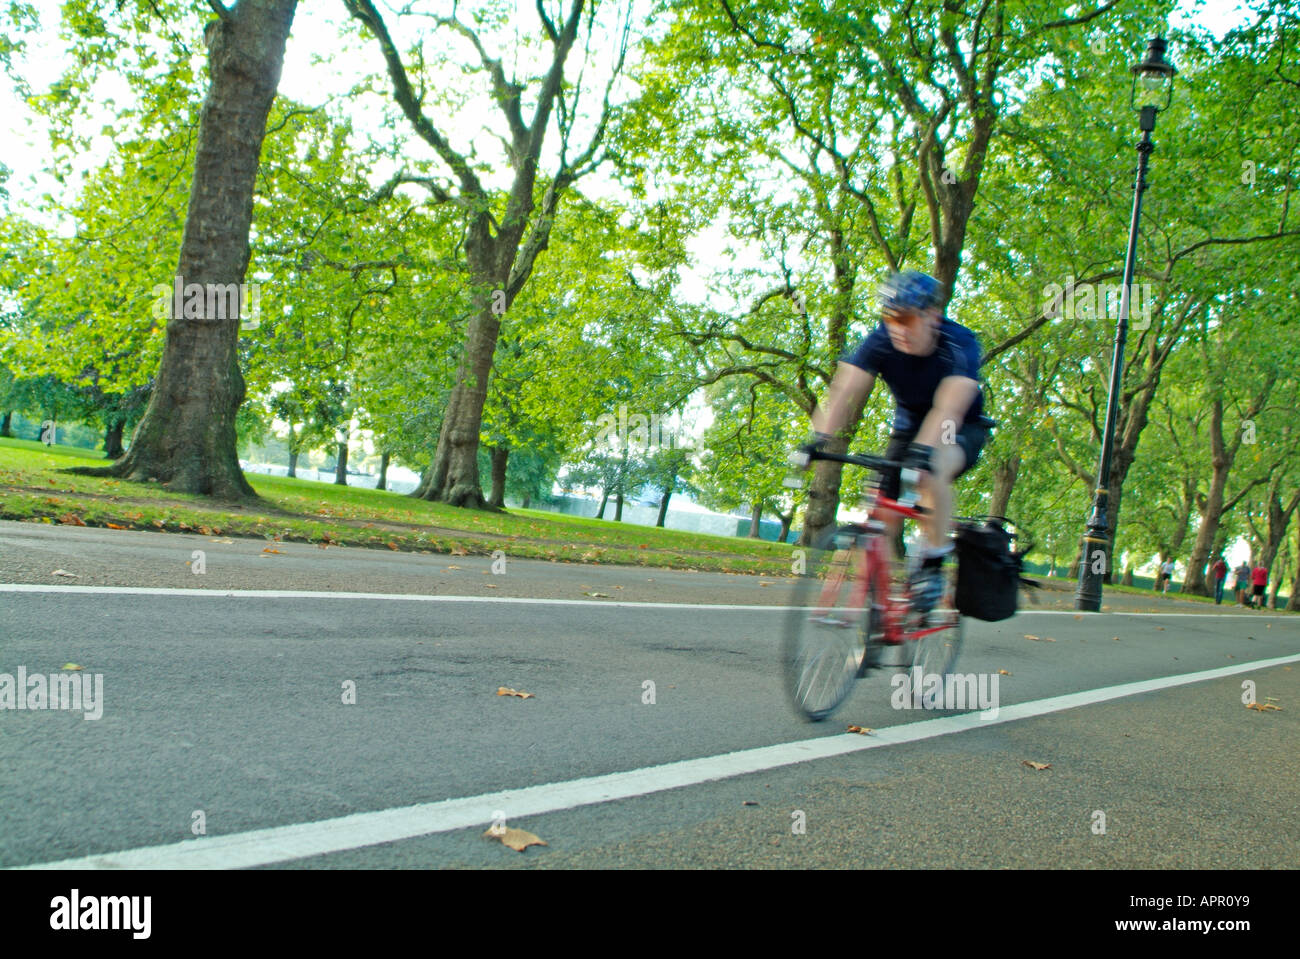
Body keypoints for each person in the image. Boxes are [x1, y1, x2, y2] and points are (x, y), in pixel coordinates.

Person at [799, 269, 989, 617]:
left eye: (905, 319)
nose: (897, 328)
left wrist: (924, 454)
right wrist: (819, 438)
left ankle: (933, 561)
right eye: (889, 318)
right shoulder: (881, 339)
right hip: (908, 429)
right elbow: (846, 389)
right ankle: (878, 610)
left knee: (931, 470)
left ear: (932, 315)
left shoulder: (959, 343)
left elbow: (949, 406)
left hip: (957, 425)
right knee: (881, 512)